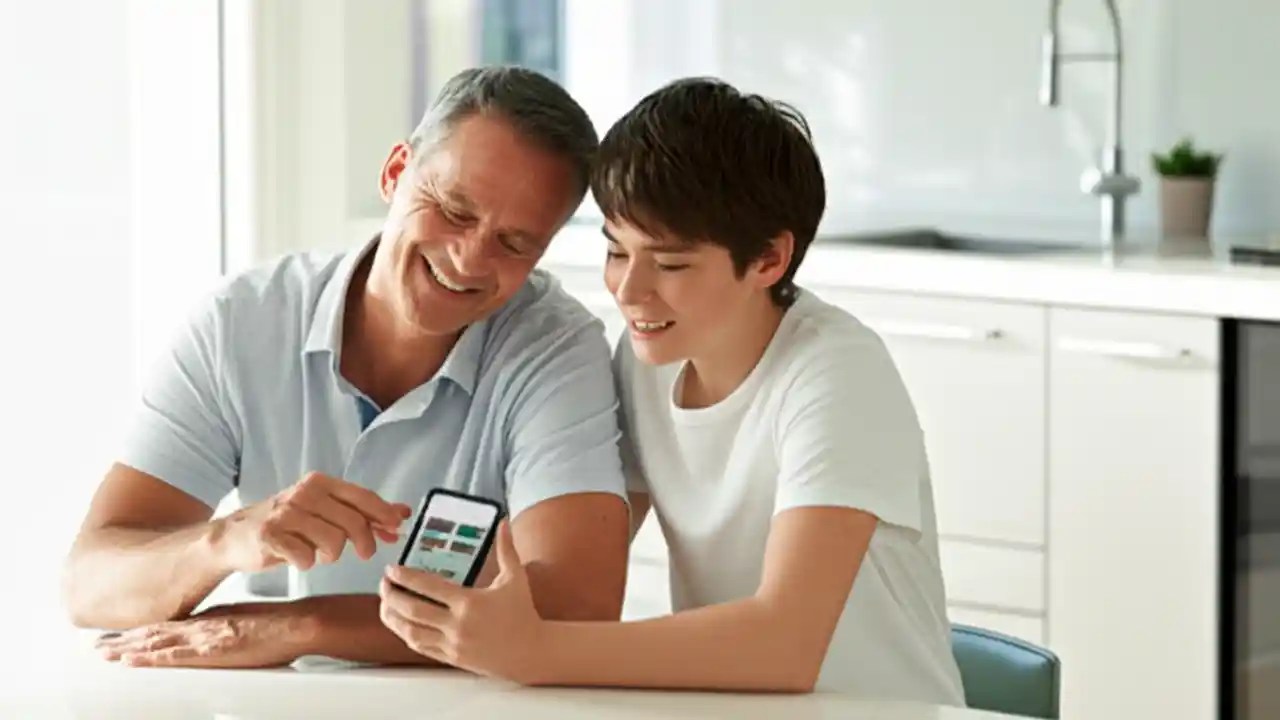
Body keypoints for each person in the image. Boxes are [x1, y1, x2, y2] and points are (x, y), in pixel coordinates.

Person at [377, 77, 967, 704]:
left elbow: (786, 645)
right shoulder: (648, 363)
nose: (629, 291)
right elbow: (580, 565)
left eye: (670, 264)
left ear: (768, 260)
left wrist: (536, 649)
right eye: (616, 251)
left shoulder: (835, 373)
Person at [64, 66, 631, 669]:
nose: (469, 259)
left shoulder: (553, 348)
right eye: (453, 209)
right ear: (394, 173)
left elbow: (577, 606)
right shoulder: (241, 324)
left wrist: (307, 625)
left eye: (514, 244)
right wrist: (227, 541)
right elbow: (90, 585)